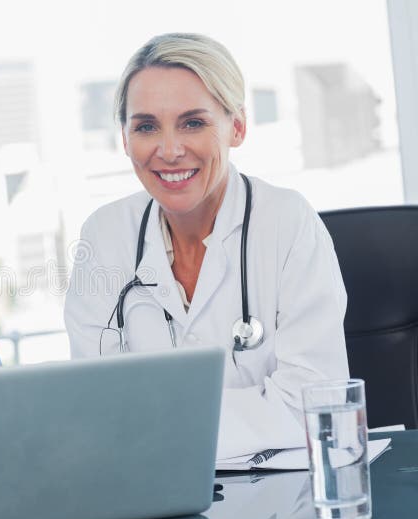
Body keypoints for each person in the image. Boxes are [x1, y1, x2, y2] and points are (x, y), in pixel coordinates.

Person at [64, 33, 349, 459]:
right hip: (152, 500)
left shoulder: (287, 224)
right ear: (124, 139)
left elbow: (313, 404)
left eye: (193, 123)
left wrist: (155, 427)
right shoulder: (105, 236)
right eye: (146, 126)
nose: (170, 150)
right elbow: (97, 408)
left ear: (237, 126)